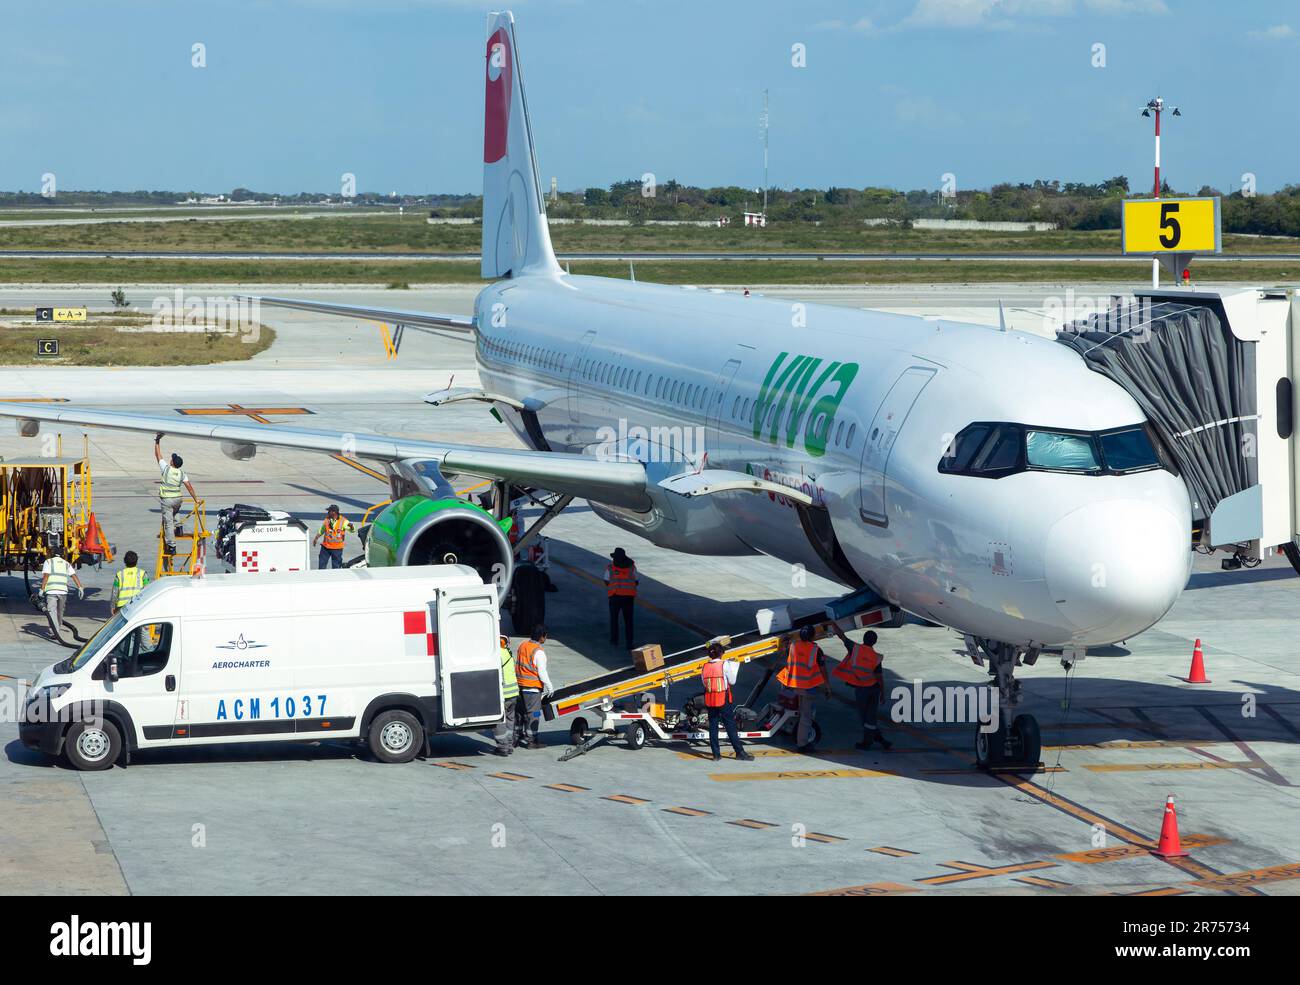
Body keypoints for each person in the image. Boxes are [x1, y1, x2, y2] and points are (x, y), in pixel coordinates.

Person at [831, 626, 892, 751]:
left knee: (866, 718)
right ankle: (879, 740)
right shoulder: (876, 657)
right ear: (874, 642)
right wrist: (882, 693)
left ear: (863, 639)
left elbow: (842, 636)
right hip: (874, 689)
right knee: (870, 717)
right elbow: (879, 677)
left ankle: (869, 742)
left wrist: (833, 624)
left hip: (862, 690)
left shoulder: (855, 648)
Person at [776, 625, 831, 752]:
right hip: (808, 687)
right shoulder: (816, 650)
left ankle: (797, 734)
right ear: (813, 636)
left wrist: (786, 638)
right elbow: (823, 670)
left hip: (796, 686)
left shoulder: (794, 646)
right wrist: (828, 687)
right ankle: (802, 744)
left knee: (802, 713)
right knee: (806, 717)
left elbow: (785, 644)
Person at [700, 641, 755, 762]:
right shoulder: (724, 665)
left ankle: (716, 754)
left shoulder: (704, 667)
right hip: (723, 699)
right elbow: (732, 681)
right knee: (730, 725)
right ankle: (739, 752)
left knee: (713, 726)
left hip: (710, 699)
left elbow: (704, 683)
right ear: (721, 654)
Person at [154, 434, 198, 559]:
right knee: (175, 510)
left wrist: (157, 441)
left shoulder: (166, 469)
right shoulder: (182, 473)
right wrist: (196, 499)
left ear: (172, 462)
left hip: (167, 500)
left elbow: (158, 455)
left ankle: (172, 546)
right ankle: (179, 527)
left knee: (168, 523)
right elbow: (189, 487)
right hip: (177, 499)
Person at [513, 624, 553, 749]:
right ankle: (531, 740)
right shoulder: (539, 652)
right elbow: (542, 673)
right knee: (534, 715)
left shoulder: (522, 645)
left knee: (519, 713)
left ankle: (516, 737)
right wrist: (549, 686)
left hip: (520, 687)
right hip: (532, 690)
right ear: (542, 637)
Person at [40, 547, 84, 645]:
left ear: (52, 553)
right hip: (63, 592)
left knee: (52, 611)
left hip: (51, 591)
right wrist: (80, 587)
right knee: (60, 611)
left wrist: (41, 589)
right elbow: (74, 576)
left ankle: (55, 630)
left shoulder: (48, 562)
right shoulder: (66, 564)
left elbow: (46, 576)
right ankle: (55, 631)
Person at [603, 547, 638, 648]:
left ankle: (614, 640)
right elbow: (636, 581)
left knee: (614, 619)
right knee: (628, 621)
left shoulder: (610, 568)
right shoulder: (632, 567)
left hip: (615, 597)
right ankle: (629, 642)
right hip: (628, 598)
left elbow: (606, 580)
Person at [493, 635, 520, 756]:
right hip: (513, 693)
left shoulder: (496, 654)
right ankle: (509, 744)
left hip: (503, 693)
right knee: (510, 719)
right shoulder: (508, 653)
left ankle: (503, 747)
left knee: (499, 720)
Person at [312, 504, 355, 569]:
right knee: (321, 566)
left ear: (334, 512)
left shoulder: (343, 521)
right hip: (326, 547)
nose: (328, 513)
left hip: (337, 549)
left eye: (329, 511)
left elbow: (352, 530)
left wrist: (351, 526)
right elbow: (322, 529)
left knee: (336, 567)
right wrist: (316, 538)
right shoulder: (327, 519)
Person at [111, 550, 150, 615]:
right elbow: (147, 589)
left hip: (122, 606)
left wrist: (113, 606)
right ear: (136, 561)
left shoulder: (119, 574)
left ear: (124, 561)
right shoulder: (142, 573)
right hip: (137, 605)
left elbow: (115, 592)